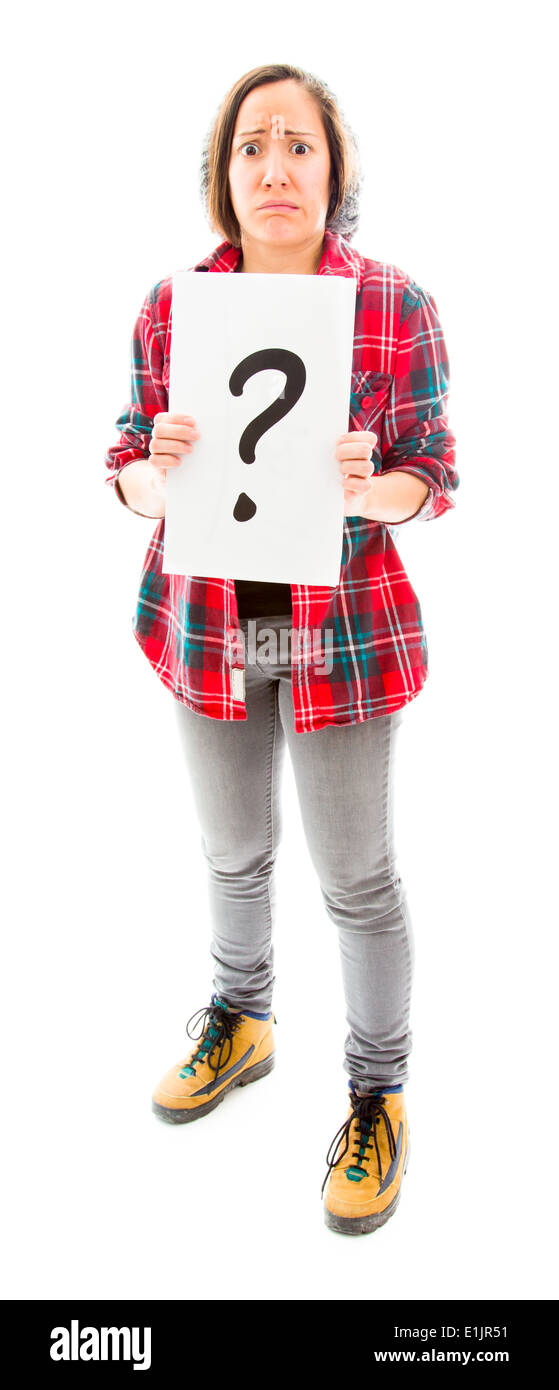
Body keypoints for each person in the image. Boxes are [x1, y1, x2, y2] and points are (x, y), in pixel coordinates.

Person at [104, 63, 459, 1236]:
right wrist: (152, 468)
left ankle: (376, 1092)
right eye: (251, 145)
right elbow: (125, 464)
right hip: (209, 624)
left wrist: (383, 487)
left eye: (298, 145)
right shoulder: (170, 307)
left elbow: (434, 472)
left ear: (334, 170)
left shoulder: (393, 302)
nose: (274, 167)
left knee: (357, 878)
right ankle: (241, 1017)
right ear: (222, 175)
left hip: (344, 632)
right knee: (233, 849)